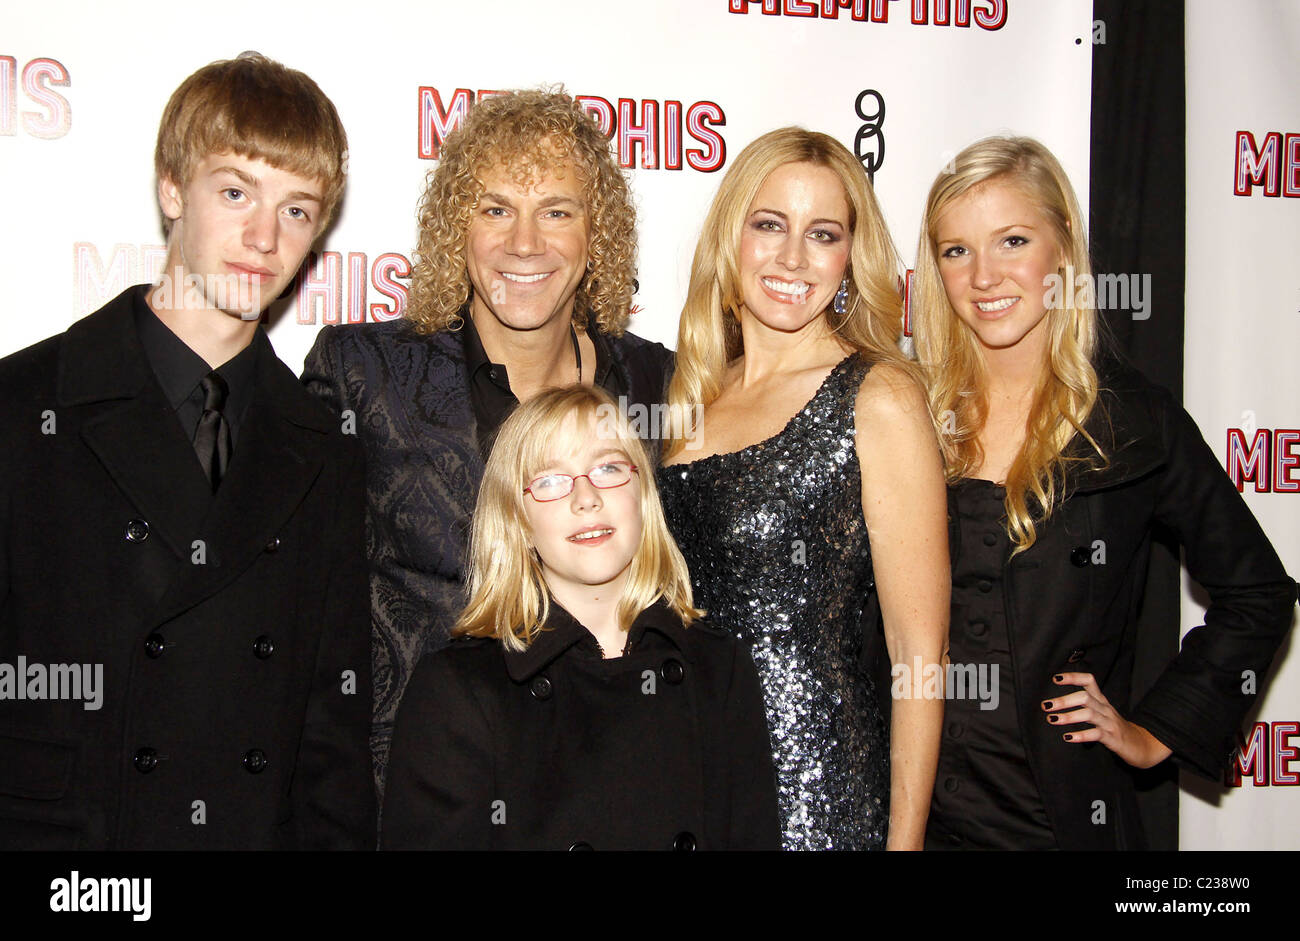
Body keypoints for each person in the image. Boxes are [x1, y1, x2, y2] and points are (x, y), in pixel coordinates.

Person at [0, 53, 373, 849]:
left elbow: (329, 747)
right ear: (172, 189)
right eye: (236, 192)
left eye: (298, 210)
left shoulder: (323, 449)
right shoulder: (21, 407)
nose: (265, 237)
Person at [911, 135, 1296, 850]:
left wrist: (1159, 729)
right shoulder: (903, 414)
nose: (983, 275)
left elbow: (1258, 592)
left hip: (1058, 820)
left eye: (1013, 240)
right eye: (955, 250)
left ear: (1062, 247)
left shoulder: (1132, 422)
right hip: (913, 816)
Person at [303, 89, 672, 795]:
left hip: (605, 794)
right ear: (455, 228)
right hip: (412, 799)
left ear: (599, 235)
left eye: (557, 212)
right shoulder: (364, 375)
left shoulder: (656, 383)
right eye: (495, 208)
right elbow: (289, 611)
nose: (524, 243)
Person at [656, 128, 949, 850]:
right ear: (733, 237)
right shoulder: (690, 398)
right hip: (688, 787)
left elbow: (919, 650)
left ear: (850, 257)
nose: (792, 257)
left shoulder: (878, 396)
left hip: (821, 799)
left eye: (822, 233)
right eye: (769, 225)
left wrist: (904, 846)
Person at [381, 385, 779, 850]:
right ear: (517, 521)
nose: (586, 497)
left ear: (642, 496)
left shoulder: (719, 667)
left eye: (607, 468)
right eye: (550, 480)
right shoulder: (458, 690)